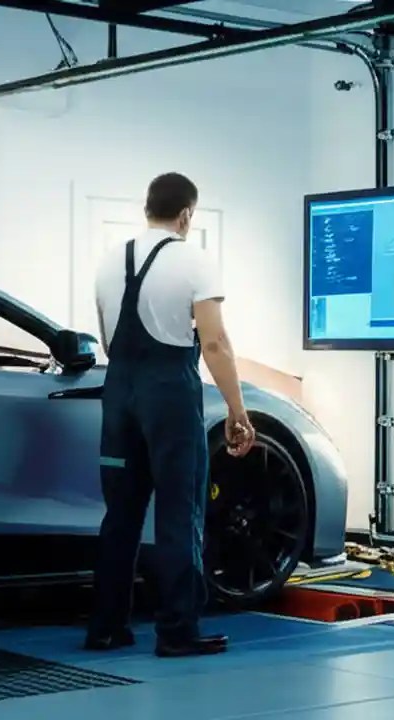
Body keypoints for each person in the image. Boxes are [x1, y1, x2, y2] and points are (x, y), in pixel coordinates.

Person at [85, 172, 255, 658]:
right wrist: (237, 410)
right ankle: (178, 630)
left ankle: (106, 627)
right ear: (186, 214)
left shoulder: (108, 260)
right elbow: (215, 343)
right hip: (170, 395)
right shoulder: (194, 260)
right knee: (180, 511)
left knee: (120, 513)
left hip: (119, 392)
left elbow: (107, 340)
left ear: (147, 209)